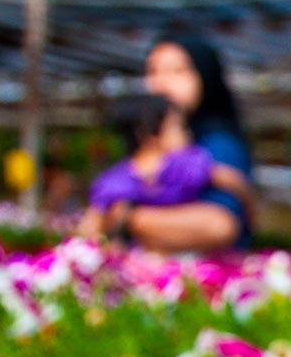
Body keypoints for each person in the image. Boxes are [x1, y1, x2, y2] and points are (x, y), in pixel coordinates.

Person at [108, 34, 254, 252]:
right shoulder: (149, 145)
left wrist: (129, 217)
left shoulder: (218, 143)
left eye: (177, 71)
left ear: (204, 76)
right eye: (153, 71)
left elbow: (220, 226)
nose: (161, 83)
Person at [78, 94, 251, 242]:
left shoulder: (186, 164)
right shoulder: (116, 182)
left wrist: (247, 213)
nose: (187, 134)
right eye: (178, 126)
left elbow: (232, 180)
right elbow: (93, 224)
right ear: (147, 132)